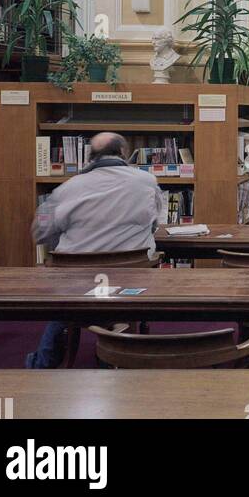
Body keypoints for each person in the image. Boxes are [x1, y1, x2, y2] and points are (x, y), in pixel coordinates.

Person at [27, 131, 166, 368]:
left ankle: (42, 364)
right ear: (124, 153)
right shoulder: (147, 182)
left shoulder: (66, 189)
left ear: (90, 156)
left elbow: (39, 231)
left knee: (65, 306)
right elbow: (156, 223)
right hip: (133, 285)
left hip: (78, 287)